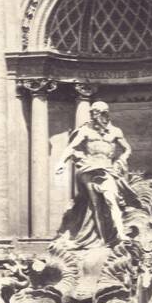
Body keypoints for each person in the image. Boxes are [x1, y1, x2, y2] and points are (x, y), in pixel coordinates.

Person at [54, 101, 133, 249]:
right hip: (89, 169)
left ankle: (121, 234)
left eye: (99, 113)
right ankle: (102, 238)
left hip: (107, 169)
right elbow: (71, 147)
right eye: (93, 112)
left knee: (111, 199)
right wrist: (61, 162)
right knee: (95, 205)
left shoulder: (116, 131)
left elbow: (127, 149)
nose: (95, 116)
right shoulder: (85, 131)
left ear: (106, 114)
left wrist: (122, 159)